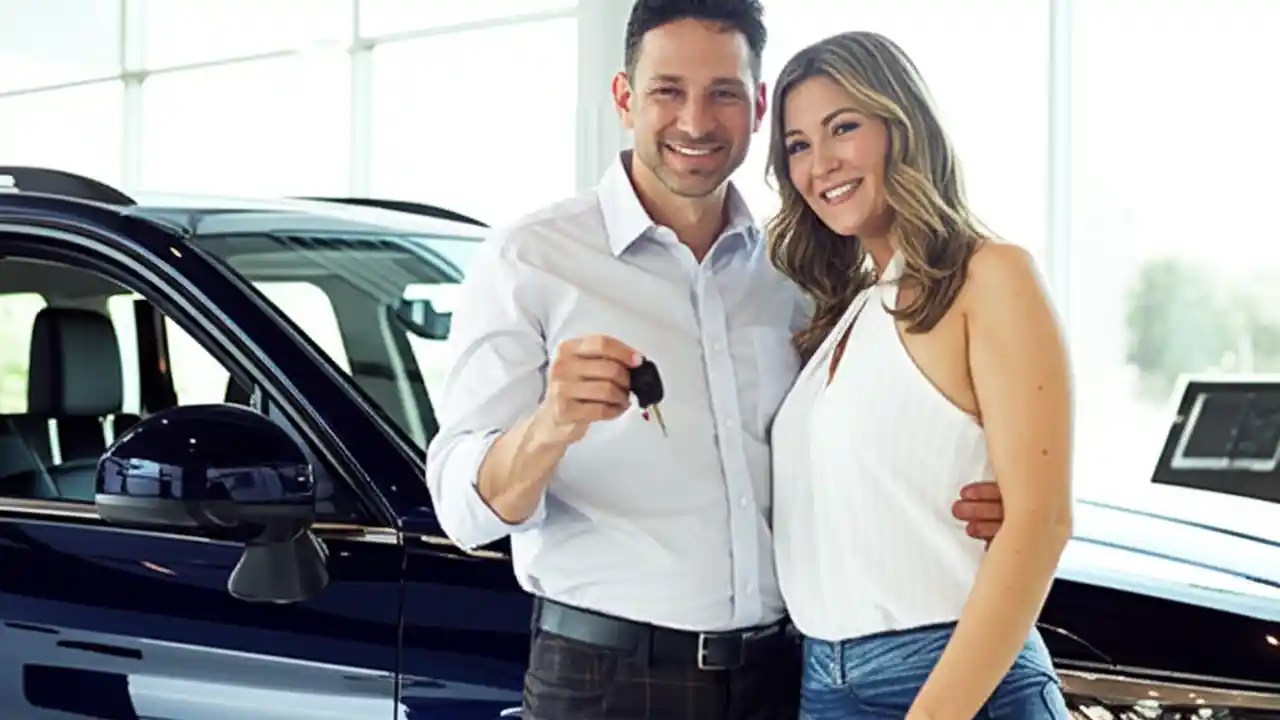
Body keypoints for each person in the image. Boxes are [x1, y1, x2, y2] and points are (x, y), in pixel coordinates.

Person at [425, 3, 1008, 718]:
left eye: (723, 94)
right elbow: (462, 511)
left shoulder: (797, 274)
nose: (696, 122)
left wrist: (983, 490)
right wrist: (549, 425)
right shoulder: (530, 260)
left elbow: (856, 445)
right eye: (668, 90)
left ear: (758, 106)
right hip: (606, 683)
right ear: (624, 98)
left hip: (784, 678)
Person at [765, 30, 1075, 719]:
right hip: (825, 681)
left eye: (843, 127)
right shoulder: (848, 313)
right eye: (797, 145)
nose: (822, 163)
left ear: (901, 127)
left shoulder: (990, 274)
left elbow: (1042, 519)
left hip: (956, 683)